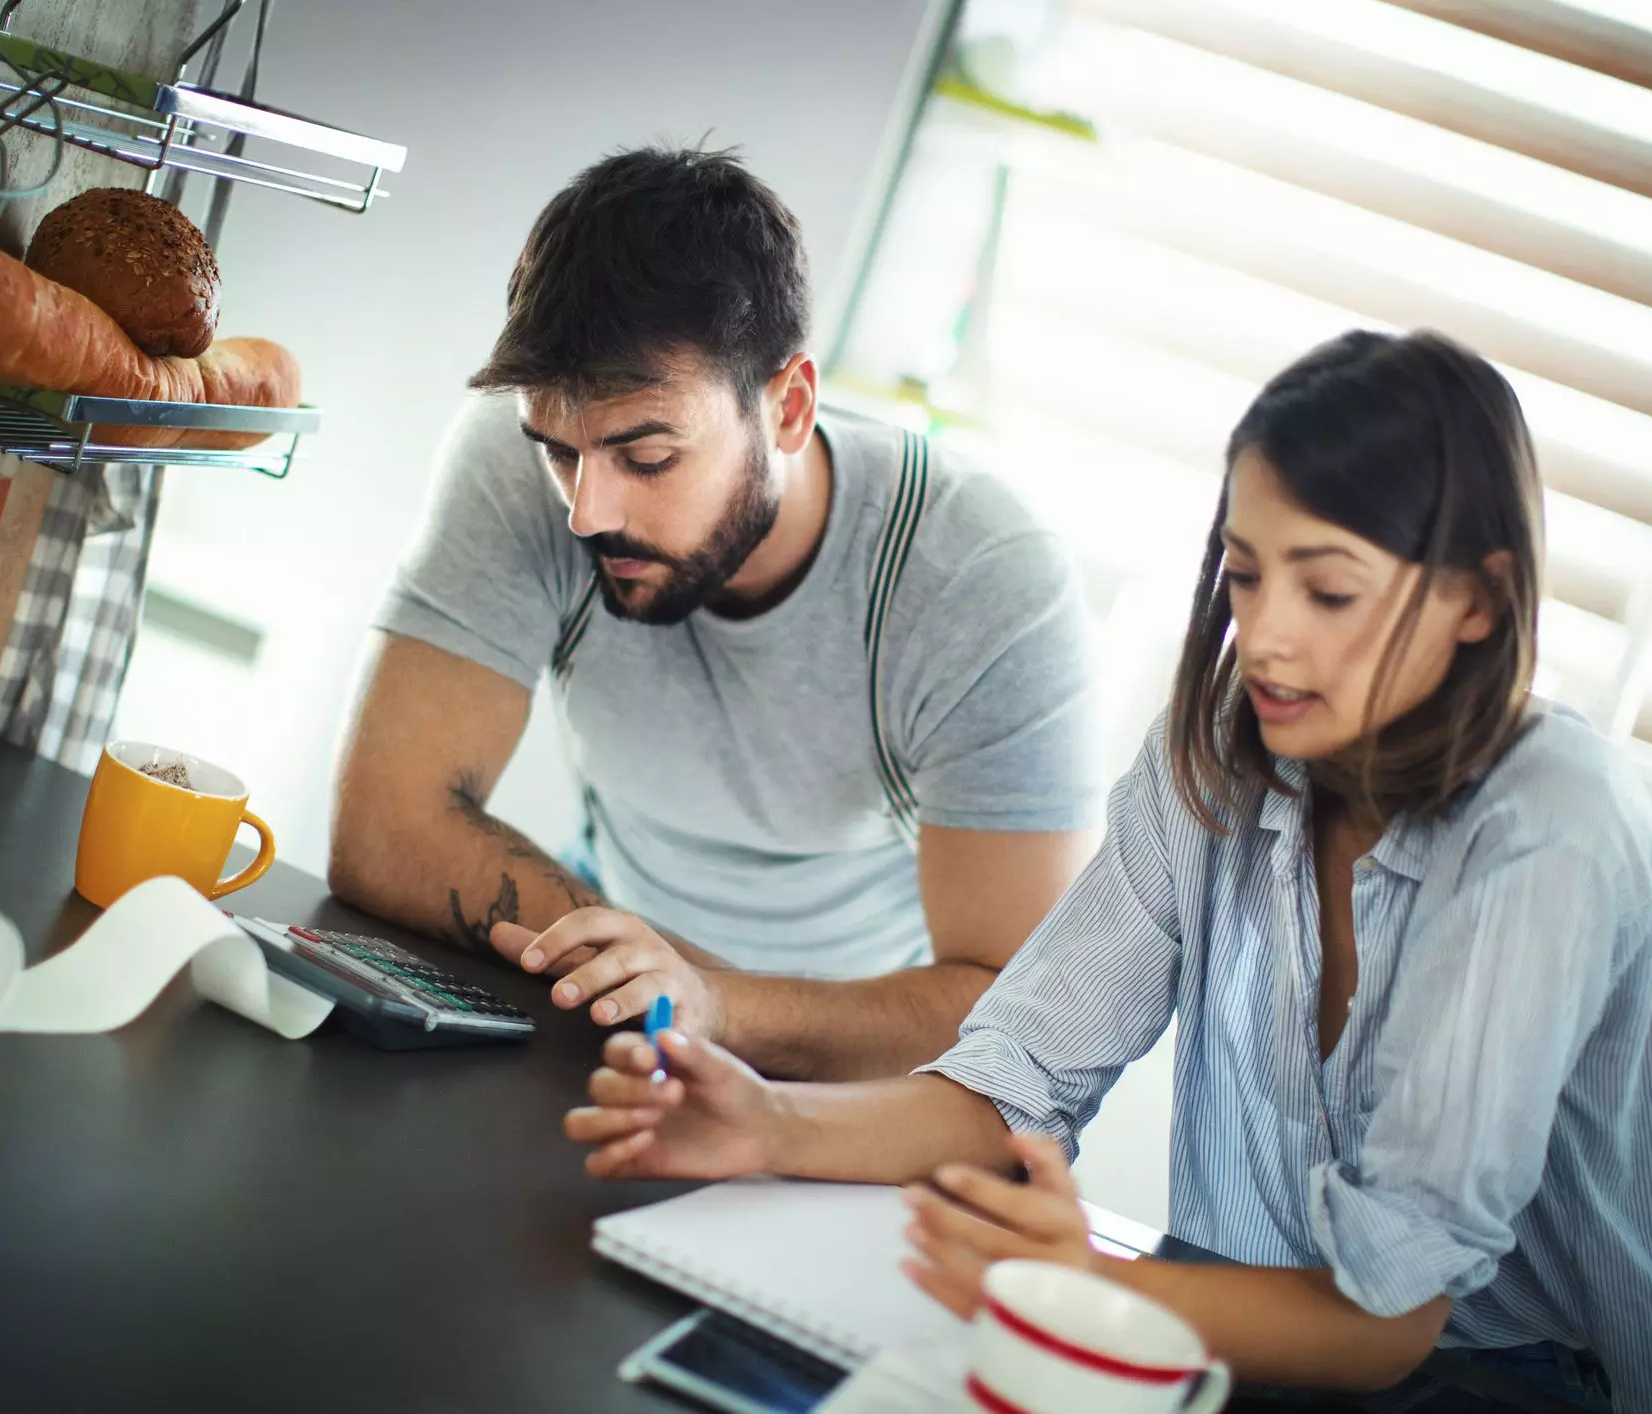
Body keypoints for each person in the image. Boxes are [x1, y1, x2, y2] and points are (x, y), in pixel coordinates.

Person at [560, 329, 1652, 1409]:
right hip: (1291, 1339)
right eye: (1247, 573)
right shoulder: (1222, 760)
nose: (1266, 637)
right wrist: (769, 1120)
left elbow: (1391, 1320)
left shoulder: (1550, 824)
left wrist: (1086, 1281)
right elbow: (1016, 1078)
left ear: (1478, 603)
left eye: (1330, 592)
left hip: (1565, 1379)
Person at [330, 146, 1103, 1081]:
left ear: (788, 407)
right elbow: (383, 828)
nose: (587, 512)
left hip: (852, 1066)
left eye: (647, 459)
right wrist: (664, 990)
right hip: (611, 1000)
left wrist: (714, 1003)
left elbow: (1010, 1010)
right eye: (560, 453)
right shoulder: (519, 459)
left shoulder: (979, 578)